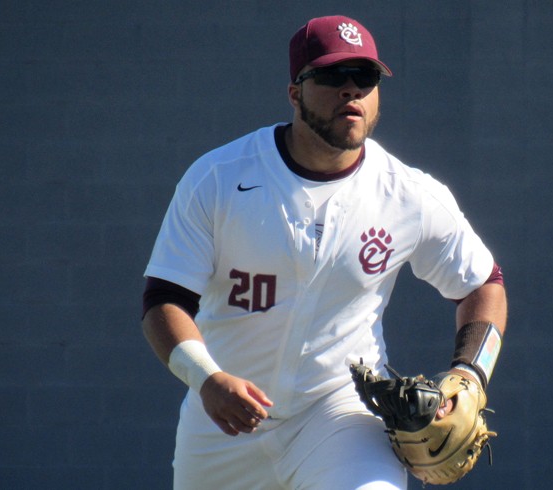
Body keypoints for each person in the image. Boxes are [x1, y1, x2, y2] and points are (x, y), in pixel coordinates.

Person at [142, 14, 507, 490]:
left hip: (340, 416)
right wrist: (206, 378)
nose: (351, 90)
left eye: (366, 77)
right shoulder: (219, 178)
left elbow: (483, 285)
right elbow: (163, 301)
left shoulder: (408, 194)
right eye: (333, 75)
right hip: (222, 422)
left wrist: (471, 374)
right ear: (295, 92)